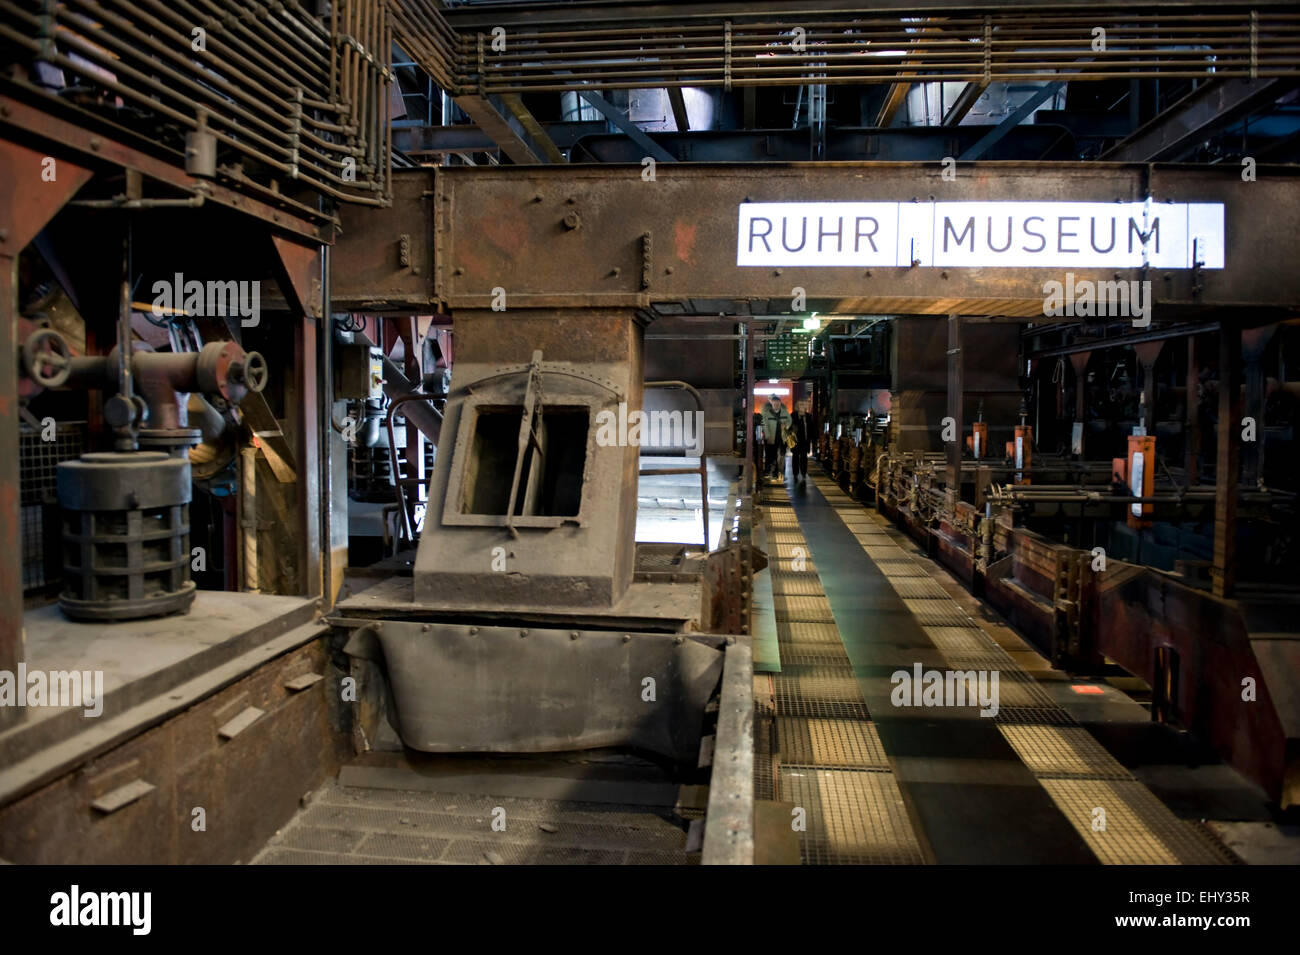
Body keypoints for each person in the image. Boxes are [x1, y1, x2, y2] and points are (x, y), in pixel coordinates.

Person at [760, 394, 792, 482]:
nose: (776, 405)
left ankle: (779, 473)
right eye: (774, 403)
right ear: (772, 403)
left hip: (782, 438)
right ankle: (770, 472)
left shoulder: (785, 412)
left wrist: (786, 426)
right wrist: (768, 436)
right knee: (771, 455)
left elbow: (790, 421)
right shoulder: (767, 414)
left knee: (781, 455)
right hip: (771, 438)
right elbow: (764, 426)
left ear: (780, 403)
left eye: (778, 403)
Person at [790, 399, 814, 482]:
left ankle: (803, 473)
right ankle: (795, 474)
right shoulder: (793, 415)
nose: (803, 407)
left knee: (804, 457)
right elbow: (790, 429)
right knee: (795, 457)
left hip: (805, 440)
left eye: (804, 405)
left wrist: (811, 439)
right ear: (797, 407)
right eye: (801, 405)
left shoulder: (808, 416)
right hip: (796, 440)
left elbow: (811, 429)